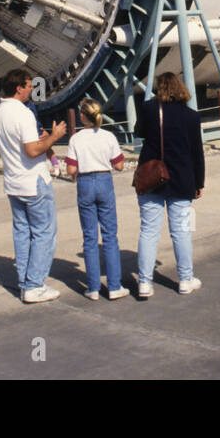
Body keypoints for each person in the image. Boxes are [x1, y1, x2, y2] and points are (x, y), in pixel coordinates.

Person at [0, 68, 68, 303]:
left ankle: (25, 282)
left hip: (13, 181)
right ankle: (35, 285)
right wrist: (55, 136)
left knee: (22, 232)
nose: (32, 88)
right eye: (28, 85)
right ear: (19, 88)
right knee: (44, 233)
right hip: (33, 181)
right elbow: (32, 150)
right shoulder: (23, 114)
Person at [135, 72, 205, 298]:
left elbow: (138, 133)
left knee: (149, 231)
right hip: (182, 179)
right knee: (181, 232)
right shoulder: (192, 117)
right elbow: (197, 153)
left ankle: (144, 283)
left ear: (158, 88)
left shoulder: (147, 109)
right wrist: (199, 182)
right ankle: (185, 279)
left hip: (151, 177)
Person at [64, 98, 129, 301]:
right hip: (104, 180)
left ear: (82, 116)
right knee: (110, 235)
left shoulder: (76, 139)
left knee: (90, 237)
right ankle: (114, 286)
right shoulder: (108, 136)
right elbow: (118, 165)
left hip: (85, 182)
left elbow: (71, 169)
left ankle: (92, 287)